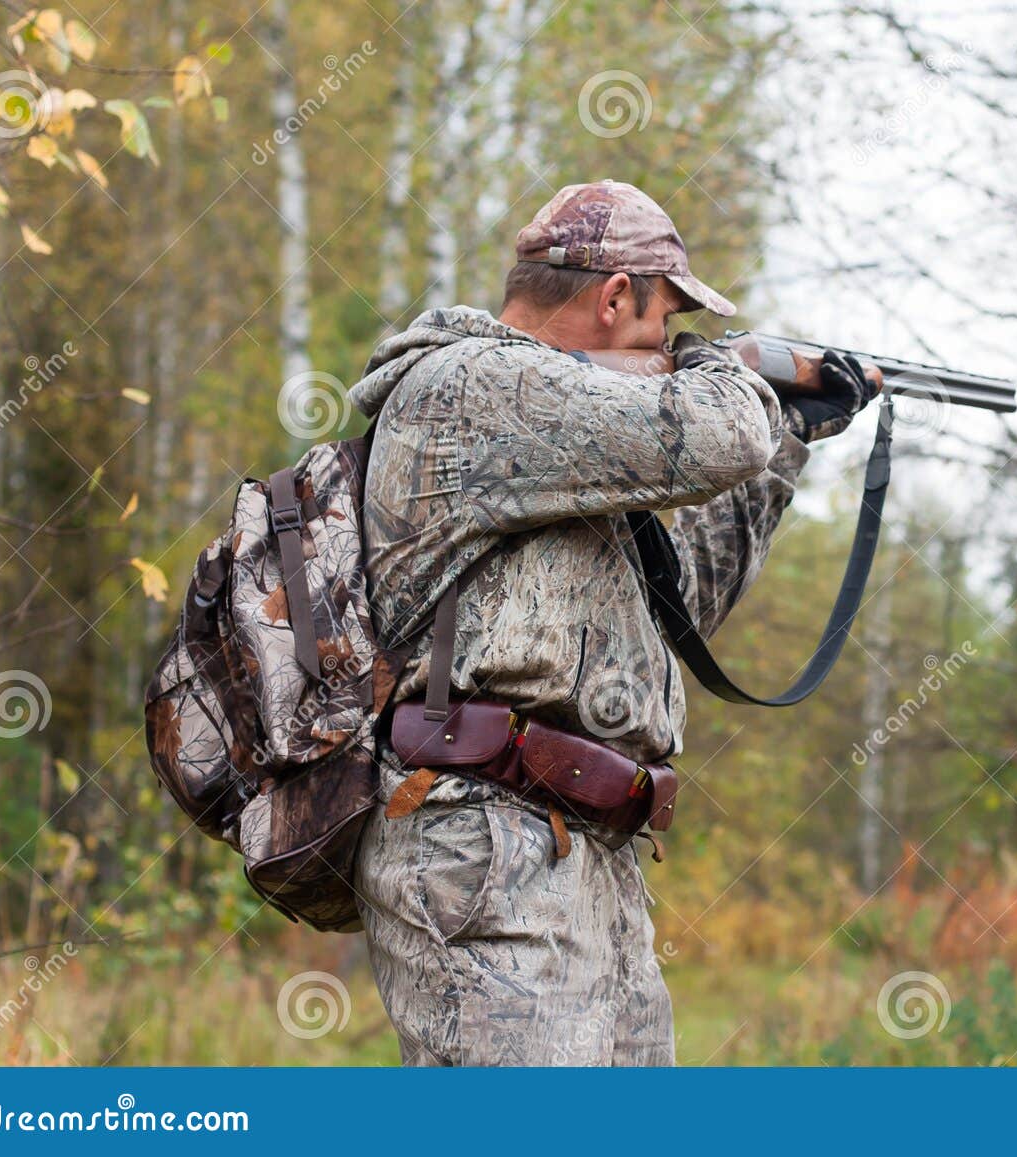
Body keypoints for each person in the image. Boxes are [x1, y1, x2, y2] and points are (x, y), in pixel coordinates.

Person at [346, 179, 876, 1065]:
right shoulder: (474, 384)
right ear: (615, 295)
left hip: (586, 850)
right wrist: (735, 371)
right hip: (485, 844)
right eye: (665, 325)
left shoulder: (571, 444)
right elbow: (713, 436)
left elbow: (684, 606)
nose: (672, 345)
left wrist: (784, 442)